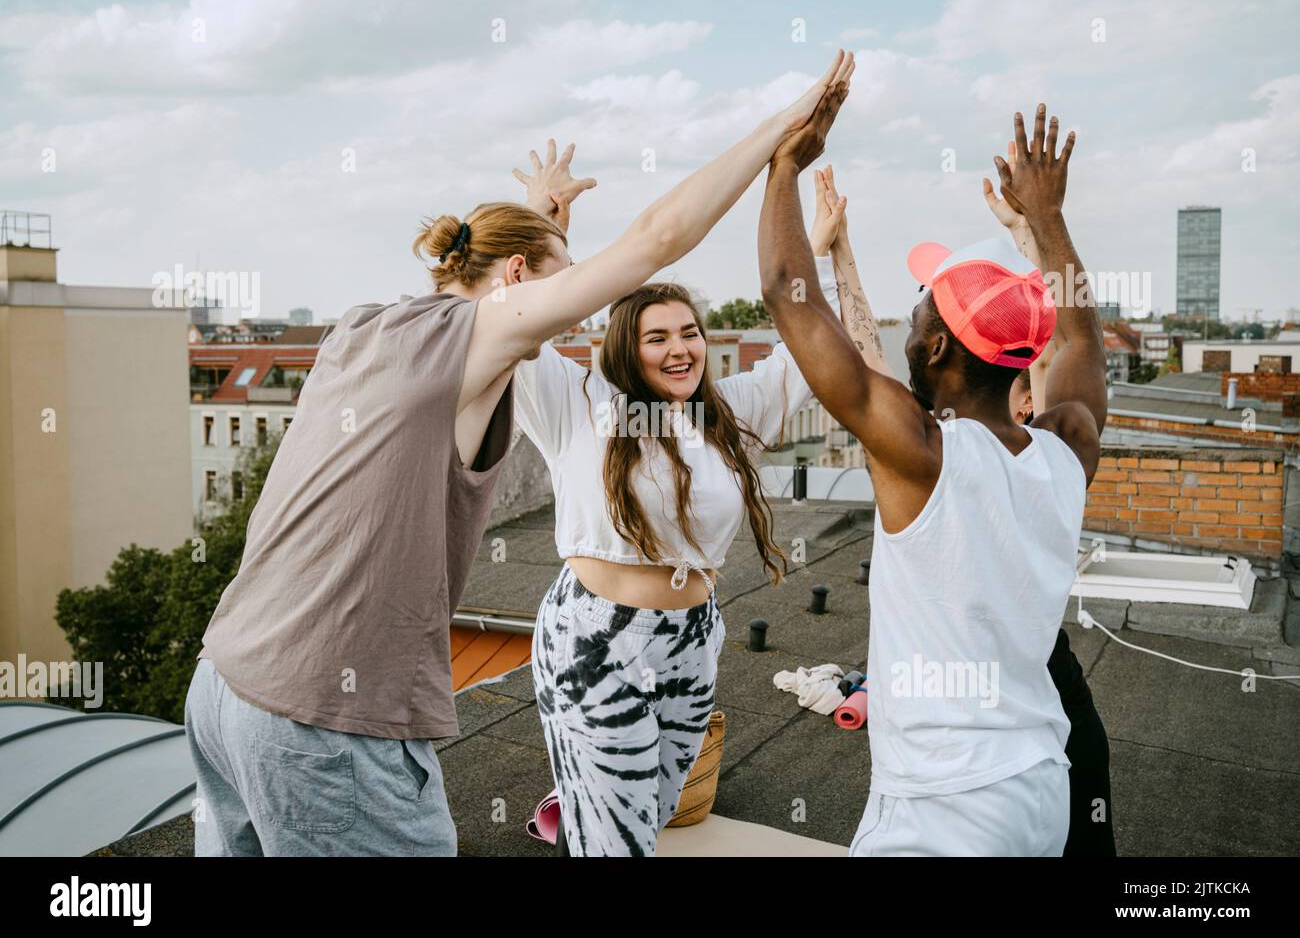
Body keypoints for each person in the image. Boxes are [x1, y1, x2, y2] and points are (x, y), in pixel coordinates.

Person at [184, 49, 854, 857]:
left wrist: (538, 223)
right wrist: (780, 130)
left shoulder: (364, 328)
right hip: (322, 715)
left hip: (225, 684)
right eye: (557, 282)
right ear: (512, 278)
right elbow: (655, 240)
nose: (567, 316)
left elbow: (506, 308)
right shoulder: (495, 351)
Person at [515, 57, 856, 858]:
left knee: (656, 815)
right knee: (619, 844)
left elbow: (811, 352)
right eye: (656, 337)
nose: (679, 350)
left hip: (692, 637)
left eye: (690, 333)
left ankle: (585, 815)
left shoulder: (731, 413)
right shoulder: (579, 405)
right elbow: (518, 316)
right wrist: (542, 223)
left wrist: (819, 251)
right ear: (625, 350)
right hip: (595, 639)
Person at [759, 93, 1106, 856]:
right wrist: (1048, 217)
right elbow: (1082, 338)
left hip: (945, 807)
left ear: (941, 349)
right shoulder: (1067, 446)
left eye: (919, 316)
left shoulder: (921, 456)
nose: (908, 327)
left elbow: (790, 291)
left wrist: (784, 160)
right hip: (1042, 786)